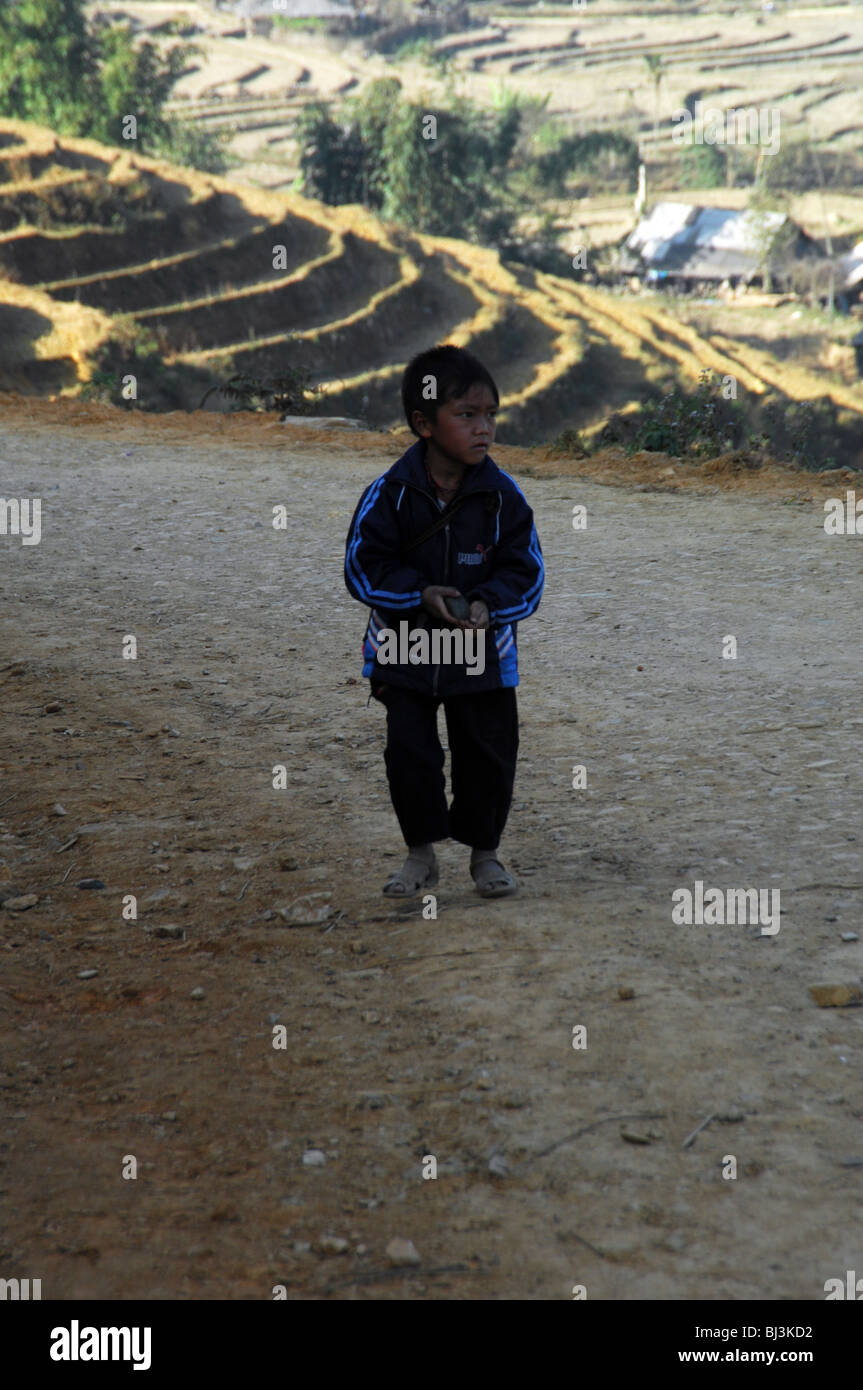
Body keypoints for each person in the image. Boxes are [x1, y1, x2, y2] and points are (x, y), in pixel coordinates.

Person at [344, 344, 544, 898]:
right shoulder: (389, 494)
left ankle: (485, 856)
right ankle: (420, 855)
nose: (484, 429)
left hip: (480, 652)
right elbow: (363, 570)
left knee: (487, 753)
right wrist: (420, 596)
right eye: (467, 415)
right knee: (411, 754)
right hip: (406, 650)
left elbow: (526, 573)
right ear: (423, 423)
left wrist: (488, 606)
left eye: (491, 416)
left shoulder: (503, 498)